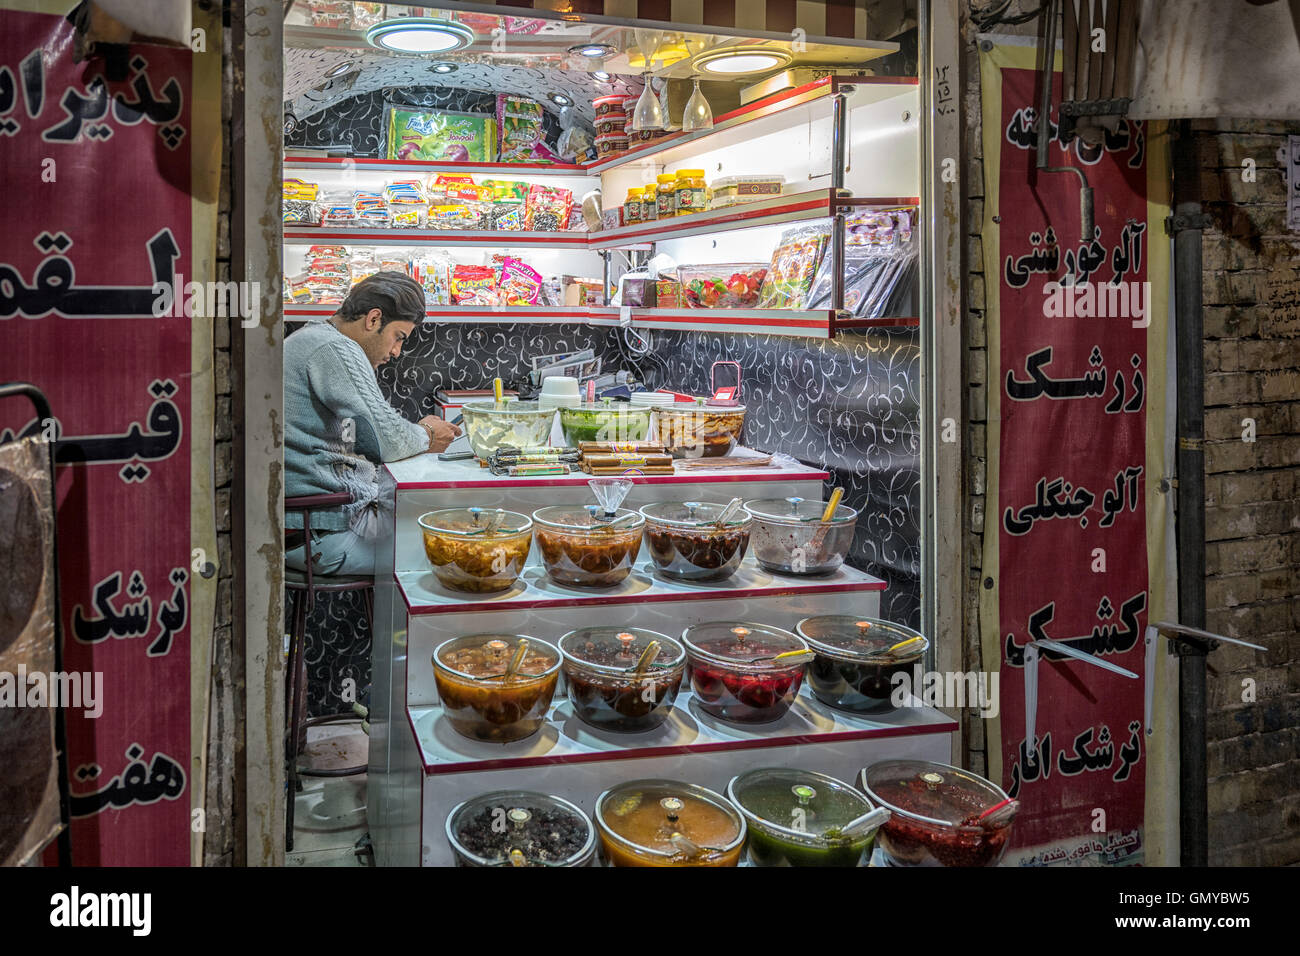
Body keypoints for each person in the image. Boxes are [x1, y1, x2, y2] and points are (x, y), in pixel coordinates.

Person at [285, 271, 460, 576]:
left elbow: (370, 433)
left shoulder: (312, 339)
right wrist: (428, 434)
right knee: (454, 550)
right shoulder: (334, 348)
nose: (396, 352)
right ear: (373, 319)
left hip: (307, 526)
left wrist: (415, 434)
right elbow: (387, 440)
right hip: (323, 535)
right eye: (398, 337)